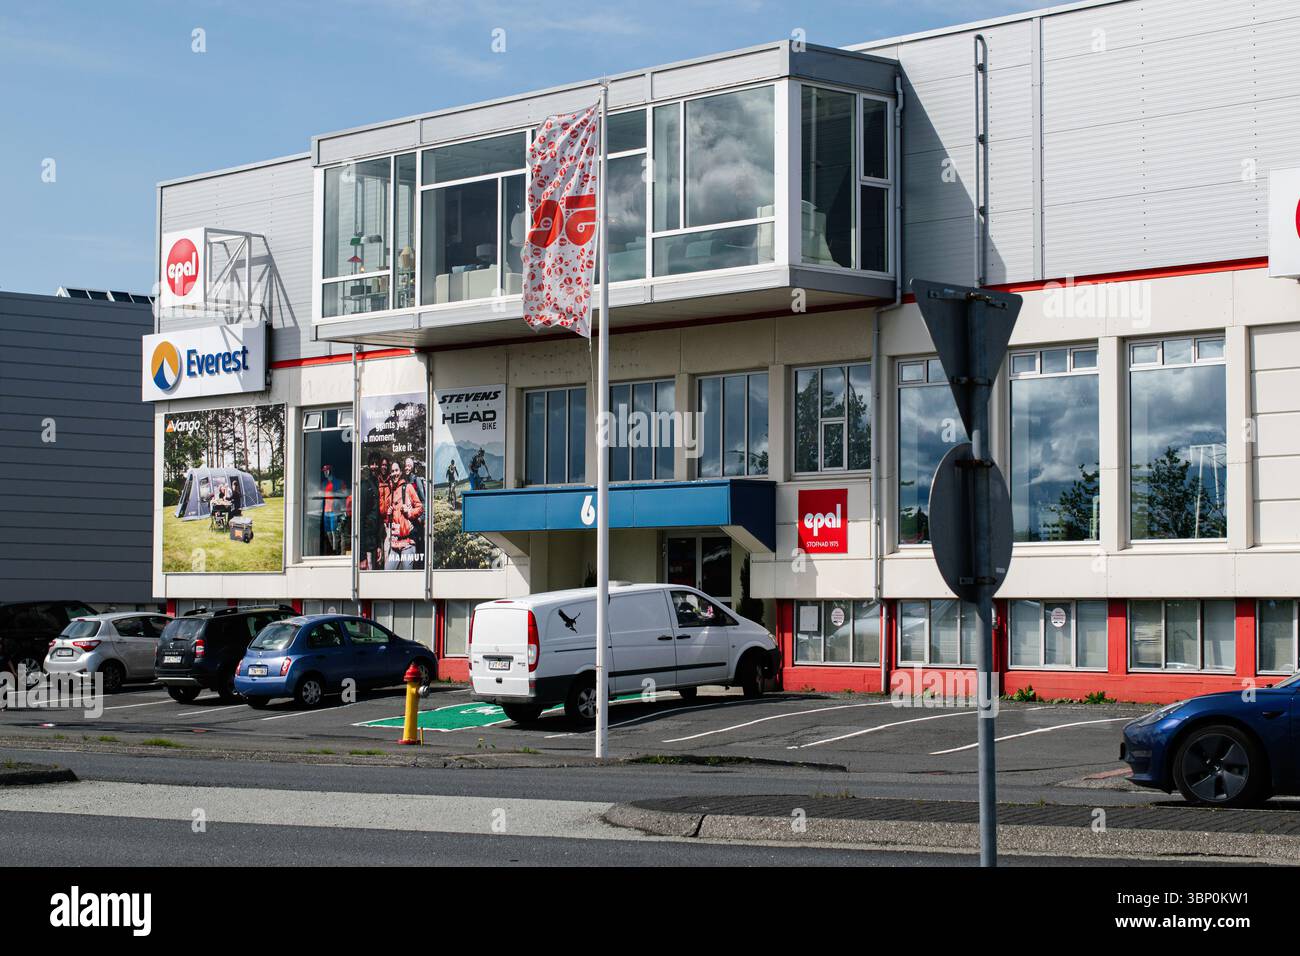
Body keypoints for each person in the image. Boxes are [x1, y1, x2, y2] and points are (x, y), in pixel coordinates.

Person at [359, 454, 382, 570]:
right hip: (366, 546)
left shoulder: (377, 485)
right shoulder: (365, 486)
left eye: (376, 464)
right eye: (372, 464)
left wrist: (378, 545)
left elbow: (377, 518)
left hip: (374, 545)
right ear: (369, 466)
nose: (374, 466)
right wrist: (361, 556)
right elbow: (360, 519)